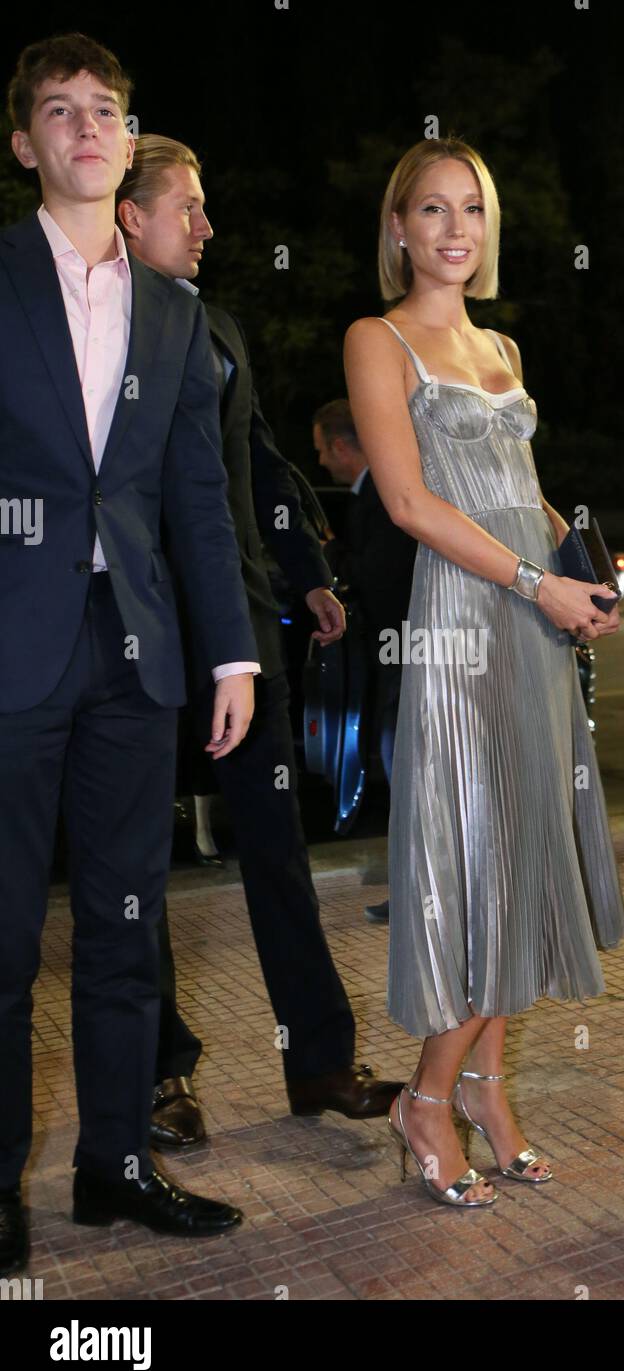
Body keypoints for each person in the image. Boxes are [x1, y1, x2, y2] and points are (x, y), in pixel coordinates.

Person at [0, 35, 258, 1277]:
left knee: (123, 926)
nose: (86, 127)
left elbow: (196, 499)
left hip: (136, 663)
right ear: (26, 144)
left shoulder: (175, 307)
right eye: (60, 110)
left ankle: (112, 1165)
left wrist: (233, 659)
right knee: (1, 938)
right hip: (9, 654)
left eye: (104, 109)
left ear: (124, 131)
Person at [344, 138, 624, 1208]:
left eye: (471, 209)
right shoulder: (377, 340)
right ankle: (425, 1096)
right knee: (481, 860)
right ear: (397, 229)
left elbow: (526, 493)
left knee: (526, 850)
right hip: (464, 625)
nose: (454, 229)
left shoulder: (499, 342)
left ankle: (487, 1089)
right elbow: (412, 503)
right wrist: (531, 582)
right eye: (431, 210)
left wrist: (578, 569)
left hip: (534, 621)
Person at [116, 134, 403, 1148]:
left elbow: (266, 462)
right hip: (144, 641)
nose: (206, 225)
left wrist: (309, 577)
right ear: (128, 216)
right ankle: (157, 1076)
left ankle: (320, 1062)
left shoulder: (216, 323)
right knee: (137, 869)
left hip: (243, 634)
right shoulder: (99, 330)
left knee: (277, 854)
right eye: (184, 207)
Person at [313, 399, 418, 923]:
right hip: (404, 656)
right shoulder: (382, 490)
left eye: (321, 451)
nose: (321, 464)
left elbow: (379, 578)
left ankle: (420, 897)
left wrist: (330, 555)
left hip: (406, 659)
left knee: (409, 777)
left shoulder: (380, 495)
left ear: (340, 445)